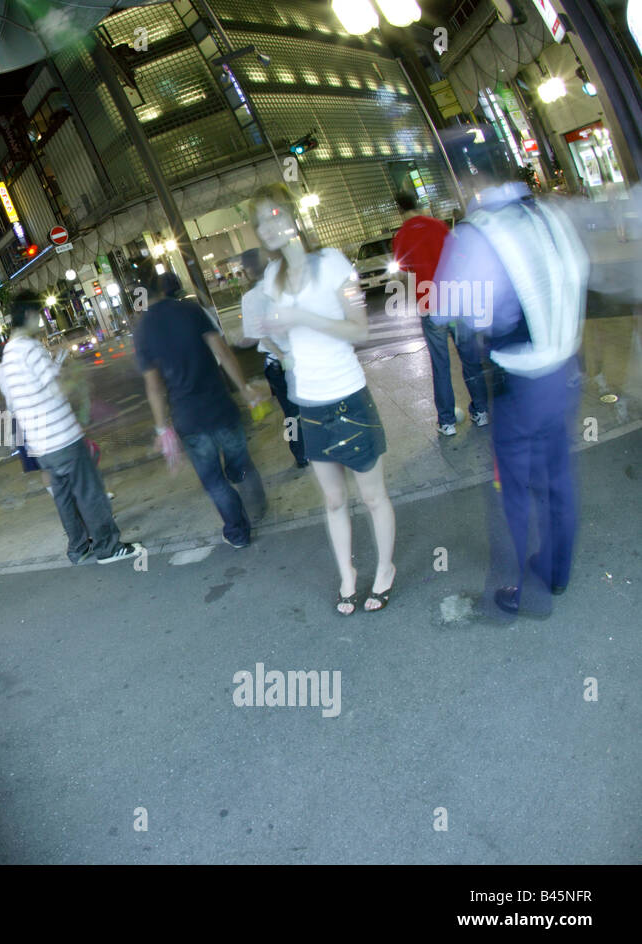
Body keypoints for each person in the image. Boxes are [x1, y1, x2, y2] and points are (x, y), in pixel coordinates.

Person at [433, 143, 589, 616]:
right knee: (558, 480)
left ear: (468, 178)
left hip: (519, 383)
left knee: (514, 488)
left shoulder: (479, 233)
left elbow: (450, 308)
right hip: (565, 370)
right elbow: (579, 272)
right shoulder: (550, 213)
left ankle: (519, 589)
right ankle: (556, 572)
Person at [249, 183, 397, 615]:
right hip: (309, 404)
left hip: (348, 396)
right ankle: (347, 576)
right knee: (333, 500)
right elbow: (275, 338)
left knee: (372, 496)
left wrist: (302, 316)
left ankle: (385, 569)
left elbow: (360, 328)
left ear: (292, 215)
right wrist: (275, 340)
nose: (267, 227)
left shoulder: (331, 262)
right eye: (259, 222)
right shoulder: (271, 279)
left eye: (274, 214)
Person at [0, 291, 143, 565]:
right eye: (39, 316)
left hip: (40, 444)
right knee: (90, 492)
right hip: (62, 437)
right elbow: (57, 390)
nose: (41, 322)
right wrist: (73, 378)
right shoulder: (31, 349)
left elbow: (15, 404)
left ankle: (78, 548)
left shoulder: (6, 360)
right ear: (29, 315)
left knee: (63, 498)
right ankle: (108, 548)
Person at [133, 258, 269, 549]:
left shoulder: (143, 330)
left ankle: (238, 532)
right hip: (221, 406)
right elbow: (223, 352)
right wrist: (244, 388)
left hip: (189, 418)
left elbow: (154, 386)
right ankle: (258, 507)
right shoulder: (191, 310)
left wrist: (161, 428)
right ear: (162, 287)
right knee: (240, 462)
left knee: (213, 480)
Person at [391, 191, 489, 436]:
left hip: (430, 305)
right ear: (417, 204)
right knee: (470, 359)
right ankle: (481, 411)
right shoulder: (438, 226)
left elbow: (403, 270)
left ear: (399, 210)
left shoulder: (401, 236)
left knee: (440, 365)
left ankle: (446, 422)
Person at [237, 247, 308, 469]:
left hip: (278, 363)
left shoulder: (250, 298)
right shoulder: (284, 285)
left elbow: (259, 336)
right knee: (312, 403)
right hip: (302, 355)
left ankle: (302, 454)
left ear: (248, 270)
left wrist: (280, 355)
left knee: (291, 413)